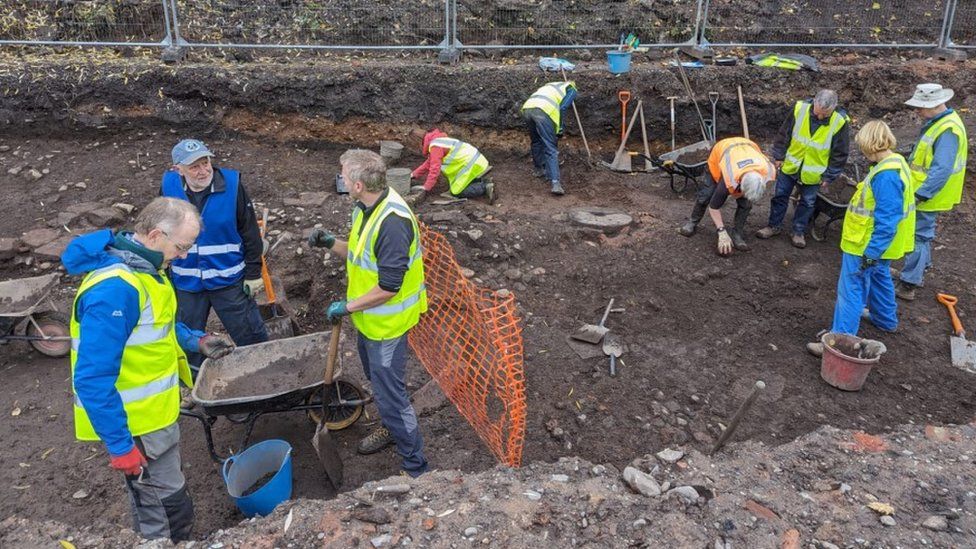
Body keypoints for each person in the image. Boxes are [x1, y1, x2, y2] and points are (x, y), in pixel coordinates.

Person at [62, 197, 235, 542]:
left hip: (154, 417)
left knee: (163, 499)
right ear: (156, 235)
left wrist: (195, 340)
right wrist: (120, 446)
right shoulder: (115, 290)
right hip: (136, 426)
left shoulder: (145, 269)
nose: (184, 256)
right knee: (165, 513)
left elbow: (153, 325)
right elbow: (92, 379)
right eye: (182, 247)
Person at [307, 149, 429, 477]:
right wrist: (330, 243)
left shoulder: (393, 223)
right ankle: (391, 428)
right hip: (369, 321)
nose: (341, 180)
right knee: (378, 382)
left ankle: (416, 467)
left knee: (392, 397)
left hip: (387, 326)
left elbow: (389, 287)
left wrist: (346, 307)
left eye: (344, 176)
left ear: (358, 185)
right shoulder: (365, 208)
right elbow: (361, 254)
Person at [807, 121, 916, 356]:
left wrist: (872, 252)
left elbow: (887, 219)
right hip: (884, 245)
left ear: (869, 144)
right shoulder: (896, 162)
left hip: (865, 244)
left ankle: (838, 342)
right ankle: (885, 319)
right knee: (879, 276)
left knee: (851, 291)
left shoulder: (886, 176)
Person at [160, 138, 268, 373]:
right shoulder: (168, 187)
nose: (203, 170)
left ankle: (262, 375)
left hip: (229, 280)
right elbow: (160, 231)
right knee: (188, 339)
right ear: (178, 169)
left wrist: (253, 273)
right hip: (186, 283)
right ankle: (197, 384)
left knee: (250, 334)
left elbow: (250, 232)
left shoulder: (232, 185)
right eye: (194, 167)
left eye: (206, 163)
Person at [895, 83, 968, 301]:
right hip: (927, 190)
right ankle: (917, 271)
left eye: (920, 107)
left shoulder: (947, 130)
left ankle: (909, 283)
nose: (917, 111)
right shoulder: (940, 122)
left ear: (934, 105)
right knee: (922, 234)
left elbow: (941, 169)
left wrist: (921, 195)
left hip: (929, 194)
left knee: (918, 235)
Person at [756, 89, 850, 249]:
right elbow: (784, 134)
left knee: (807, 203)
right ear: (814, 102)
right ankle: (773, 226)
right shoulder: (799, 109)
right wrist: (779, 156)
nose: (820, 117)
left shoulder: (840, 122)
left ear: (834, 108)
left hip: (814, 172)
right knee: (780, 196)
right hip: (791, 164)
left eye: (825, 115)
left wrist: (829, 176)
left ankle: (798, 232)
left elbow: (840, 153)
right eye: (818, 113)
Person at [678, 137, 776, 255]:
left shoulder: (767, 170)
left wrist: (745, 195)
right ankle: (692, 222)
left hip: (746, 148)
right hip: (720, 154)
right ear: (740, 183)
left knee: (746, 204)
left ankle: (737, 233)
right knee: (706, 195)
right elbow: (714, 207)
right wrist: (721, 231)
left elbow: (756, 188)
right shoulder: (729, 177)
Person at [521, 80, 578, 196]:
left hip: (527, 108)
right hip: (543, 111)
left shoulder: (551, 86)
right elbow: (562, 107)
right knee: (551, 147)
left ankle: (539, 170)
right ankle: (556, 183)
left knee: (536, 141)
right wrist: (559, 129)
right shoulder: (572, 89)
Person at [410, 128, 495, 204]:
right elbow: (429, 163)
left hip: (471, 164)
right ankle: (482, 180)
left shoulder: (435, 147)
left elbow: (434, 169)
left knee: (457, 192)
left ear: (418, 142)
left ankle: (485, 187)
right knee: (459, 182)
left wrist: (427, 186)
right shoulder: (437, 140)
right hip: (476, 160)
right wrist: (413, 175)